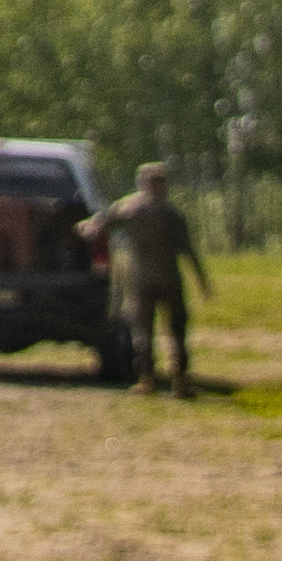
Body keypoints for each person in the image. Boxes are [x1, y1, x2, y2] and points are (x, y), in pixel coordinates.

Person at [109, 154, 198, 392]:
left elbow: (102, 223)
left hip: (141, 279)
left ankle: (147, 379)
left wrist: (87, 226)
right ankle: (180, 379)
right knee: (176, 329)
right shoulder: (171, 213)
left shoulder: (129, 209)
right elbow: (188, 250)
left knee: (142, 330)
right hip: (169, 278)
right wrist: (202, 281)